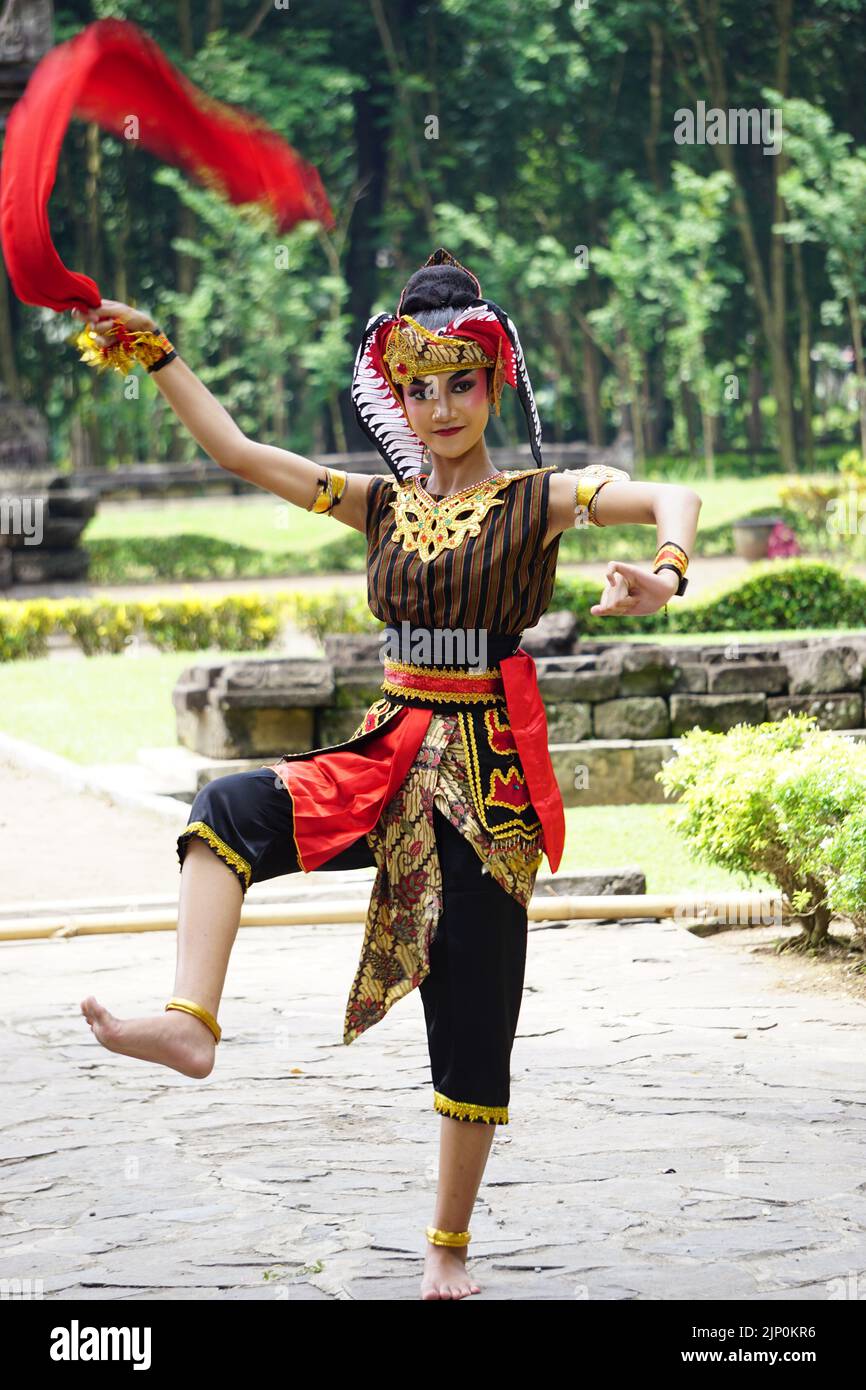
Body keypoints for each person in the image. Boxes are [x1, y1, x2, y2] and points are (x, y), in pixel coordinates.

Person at [76, 247, 701, 1300]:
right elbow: (236, 450)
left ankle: (446, 1246)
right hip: (386, 751)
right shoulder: (375, 504)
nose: (441, 404)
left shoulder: (536, 499)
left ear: (491, 384)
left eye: (461, 380)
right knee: (226, 809)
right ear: (397, 395)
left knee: (469, 1016)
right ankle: (191, 1022)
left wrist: (665, 573)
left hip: (484, 781)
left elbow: (667, 493)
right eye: (420, 385)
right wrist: (155, 351)